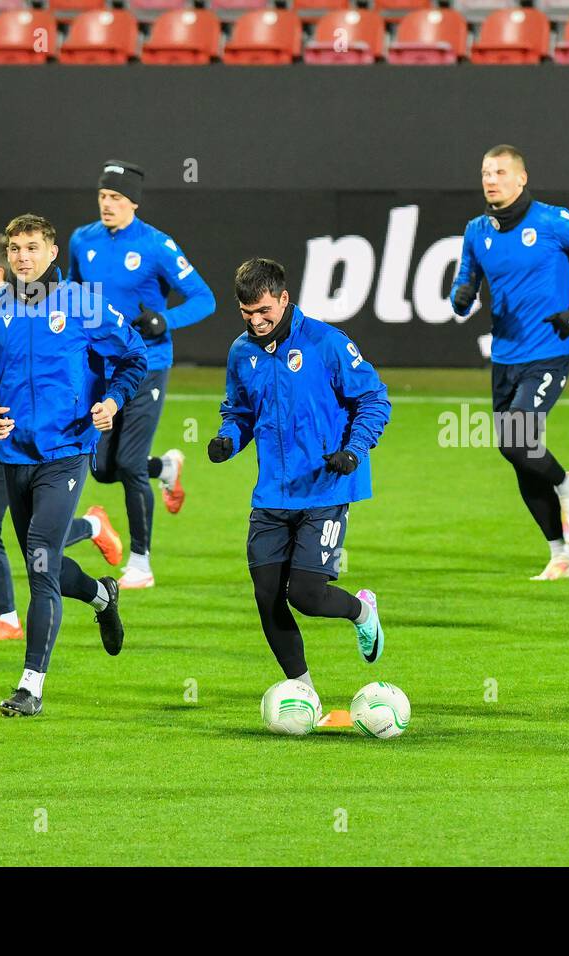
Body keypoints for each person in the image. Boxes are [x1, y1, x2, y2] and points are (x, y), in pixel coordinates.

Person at [0, 214, 147, 716]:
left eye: (32, 248)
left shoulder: (82, 306)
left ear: (52, 253)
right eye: (15, 249)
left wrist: (113, 401)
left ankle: (30, 686)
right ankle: (102, 596)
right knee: (50, 567)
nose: (22, 257)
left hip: (67, 453)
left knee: (39, 561)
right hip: (11, 455)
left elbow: (134, 357)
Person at [209, 259, 391, 692]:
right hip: (272, 494)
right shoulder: (241, 352)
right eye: (247, 313)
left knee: (306, 595)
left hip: (324, 488)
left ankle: (362, 611)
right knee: (267, 596)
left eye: (264, 311)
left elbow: (375, 399)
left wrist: (354, 450)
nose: (256, 321)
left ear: (284, 298)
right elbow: (239, 412)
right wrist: (228, 439)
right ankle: (304, 691)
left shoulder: (326, 343)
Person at [0, 235, 123, 644]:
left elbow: (119, 357)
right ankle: (84, 590)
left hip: (57, 449)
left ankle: (28, 674)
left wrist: (108, 402)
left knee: (40, 553)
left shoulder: (68, 305)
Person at [450, 144, 569, 581]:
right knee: (518, 453)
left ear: (521, 178)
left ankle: (567, 484)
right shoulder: (475, 231)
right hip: (505, 357)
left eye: (500, 172)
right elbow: (461, 290)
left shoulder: (552, 220)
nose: (491, 179)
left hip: (549, 352)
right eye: (486, 172)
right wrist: (462, 298)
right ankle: (561, 554)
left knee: (516, 439)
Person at [69, 159, 217, 589]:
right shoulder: (83, 241)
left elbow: (204, 298)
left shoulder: (156, 246)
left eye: (115, 197)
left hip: (147, 365)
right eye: (102, 196)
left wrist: (164, 321)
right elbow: (74, 296)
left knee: (129, 464)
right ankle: (166, 466)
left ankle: (141, 563)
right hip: (101, 368)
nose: (107, 204)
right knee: (100, 467)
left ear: (133, 201)